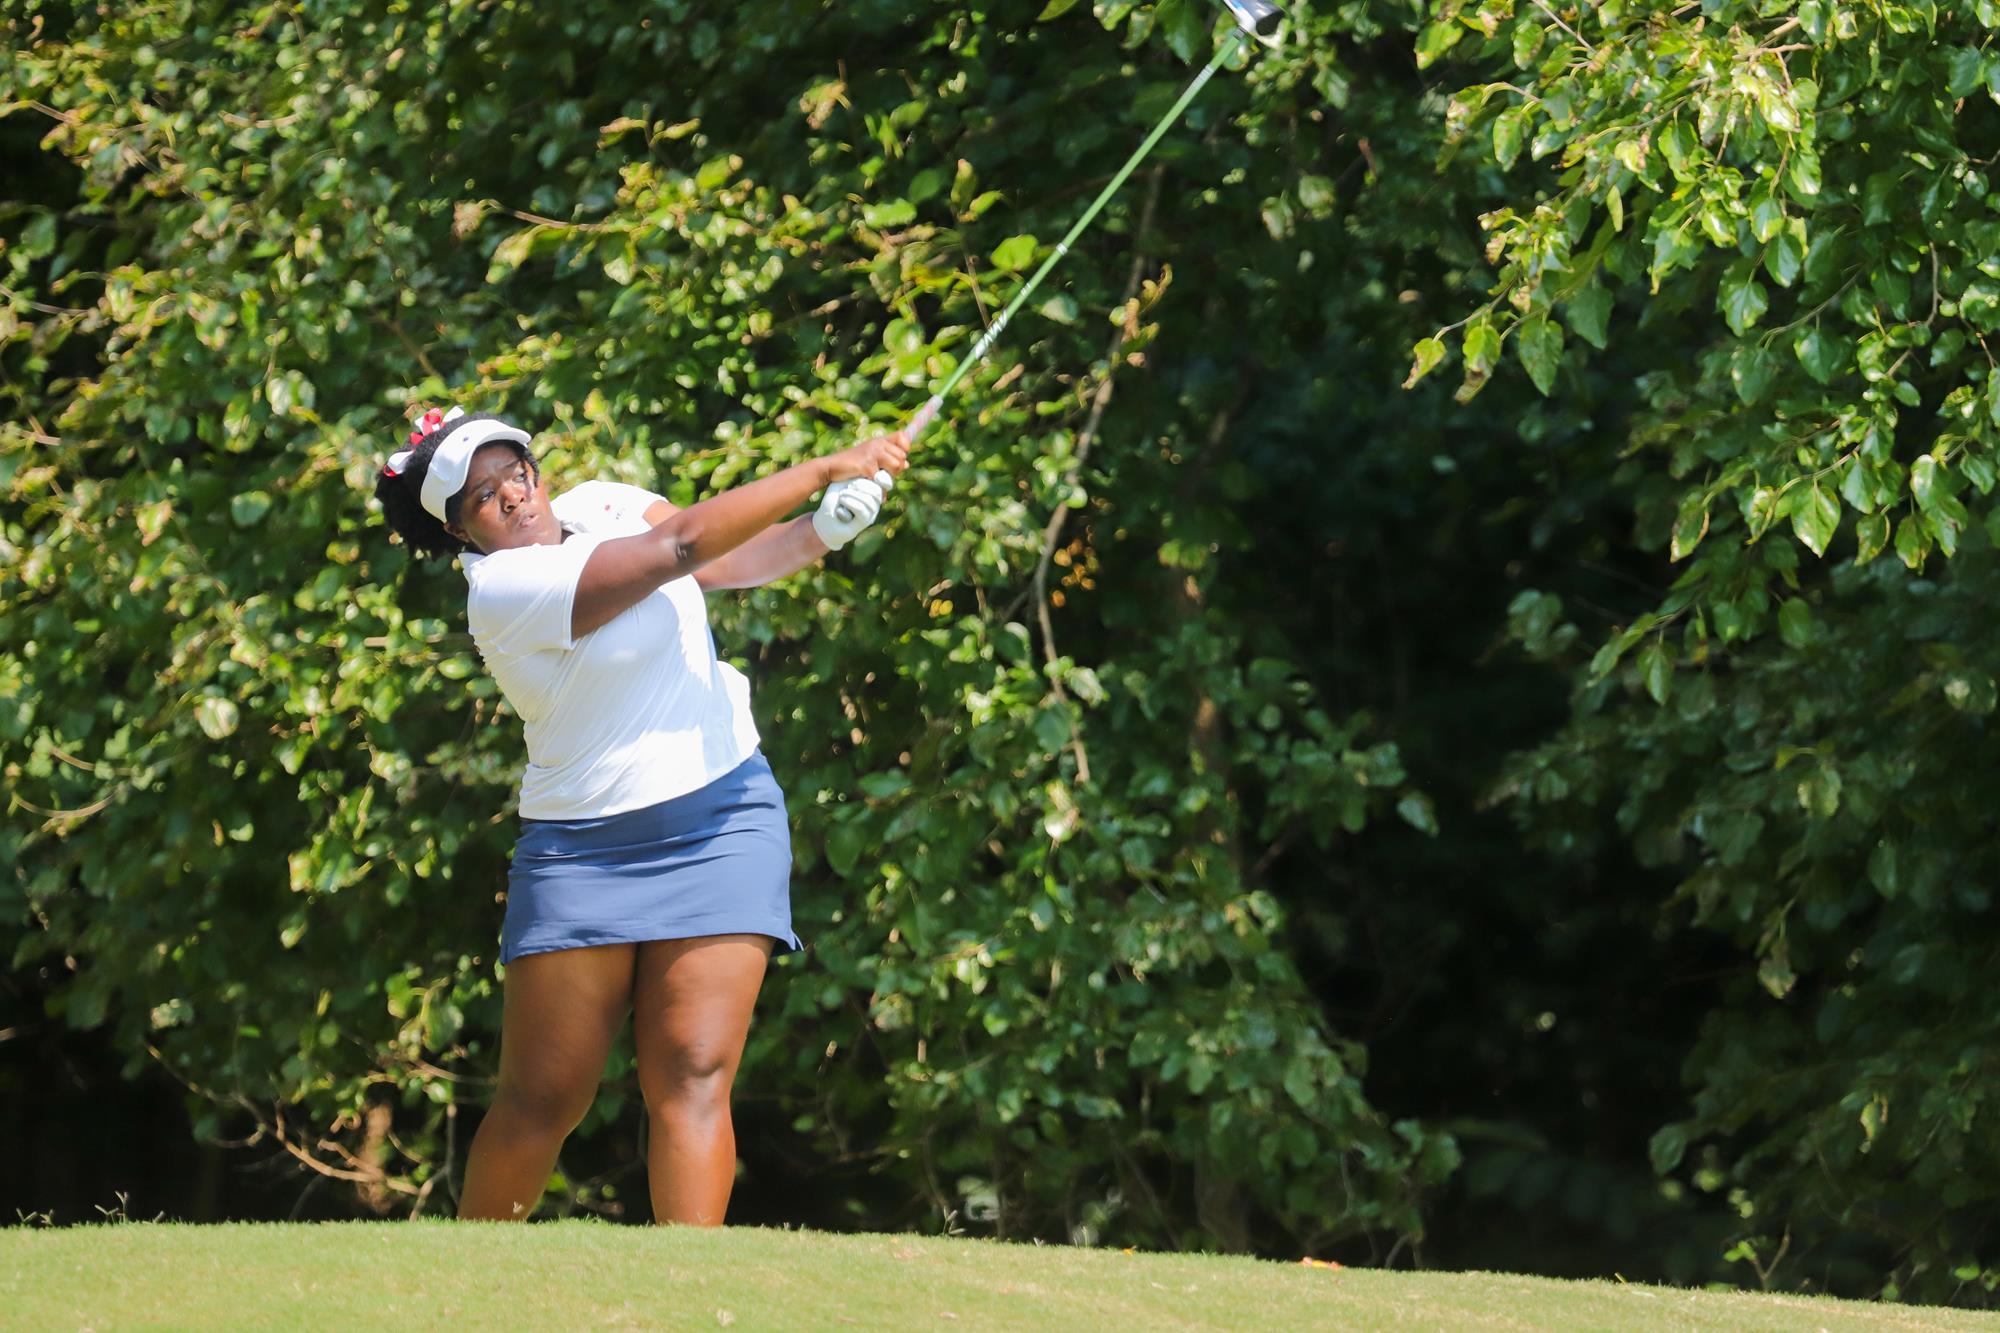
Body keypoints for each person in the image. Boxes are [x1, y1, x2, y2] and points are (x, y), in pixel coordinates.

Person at [371, 405, 909, 1224]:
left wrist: (820, 531)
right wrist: (823, 467)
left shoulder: (609, 503)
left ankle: (685, 1299)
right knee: (543, 1099)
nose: (511, 495)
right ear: (460, 532)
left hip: (722, 819)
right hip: (583, 853)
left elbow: (719, 564)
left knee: (693, 1075)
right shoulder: (505, 591)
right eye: (481, 496)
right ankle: (466, 1292)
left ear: (534, 466)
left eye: (513, 469)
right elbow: (680, 547)